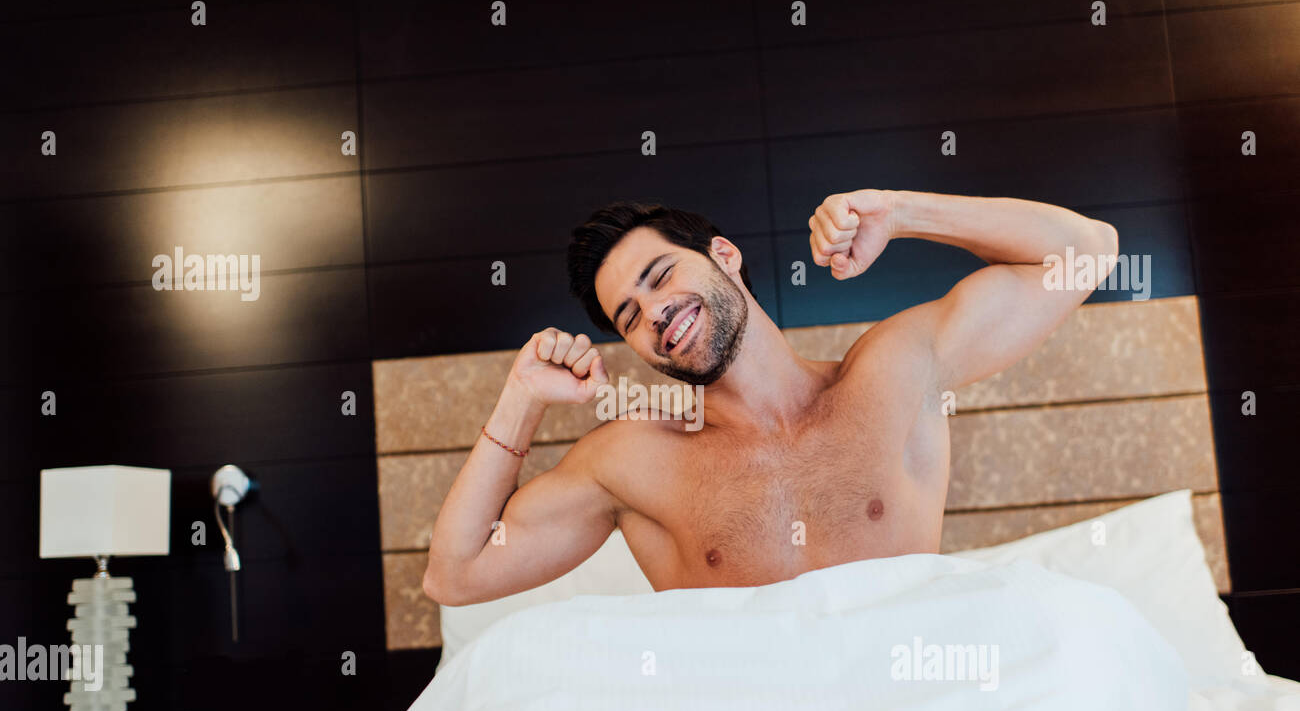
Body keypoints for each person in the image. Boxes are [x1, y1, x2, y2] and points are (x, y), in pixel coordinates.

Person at [423, 189, 1118, 603]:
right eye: (629, 316)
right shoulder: (632, 461)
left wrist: (900, 211)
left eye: (660, 275)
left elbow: (1089, 249)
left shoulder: (894, 370)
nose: (655, 312)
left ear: (724, 256)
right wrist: (520, 396)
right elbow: (454, 576)